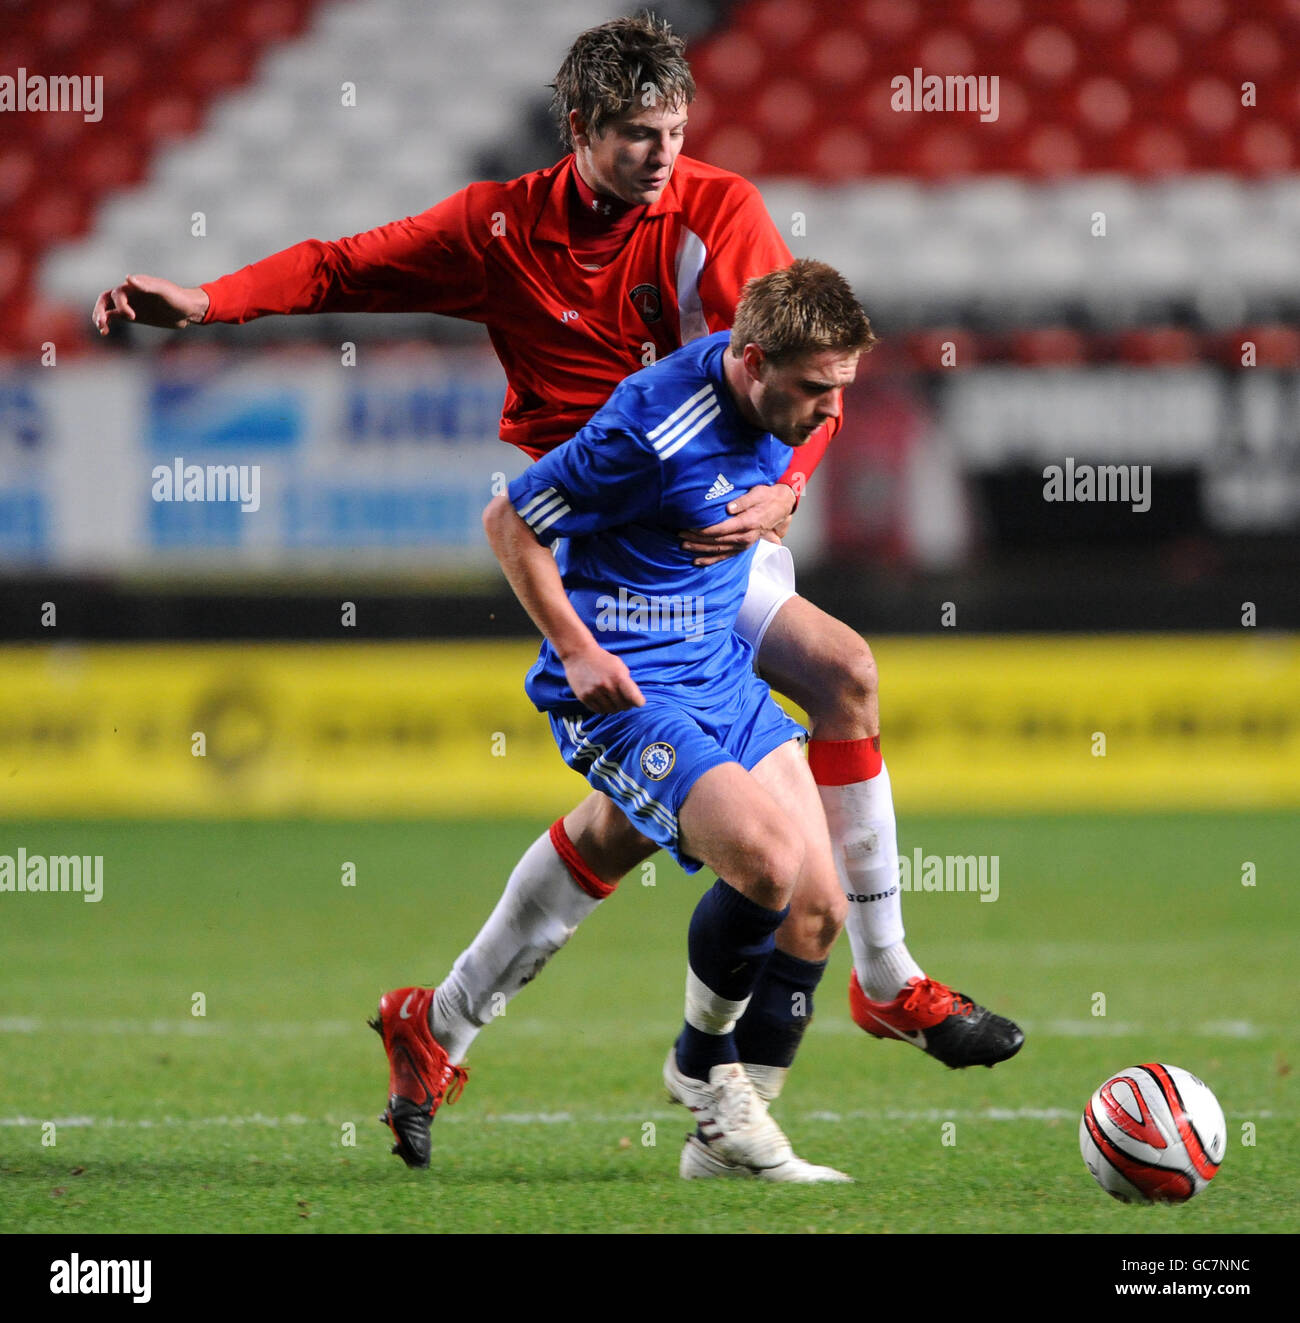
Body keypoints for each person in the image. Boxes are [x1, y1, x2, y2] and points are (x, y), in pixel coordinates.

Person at [91, 14, 1022, 1175]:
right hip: (602, 555)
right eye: (636, 134)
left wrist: (786, 490)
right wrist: (208, 301)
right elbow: (339, 266)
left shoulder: (715, 210)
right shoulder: (495, 230)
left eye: (674, 131)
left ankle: (464, 1025)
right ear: (576, 128)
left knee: (681, 803)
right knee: (777, 757)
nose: (663, 156)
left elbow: (795, 365)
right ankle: (834, 1007)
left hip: (707, 539)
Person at [485, 259, 872, 1179]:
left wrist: (788, 492)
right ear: (752, 362)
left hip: (719, 676)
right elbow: (511, 521)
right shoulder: (651, 428)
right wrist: (578, 650)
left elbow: (799, 438)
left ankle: (725, 1147)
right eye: (816, 390)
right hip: (633, 689)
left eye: (843, 389)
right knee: (767, 863)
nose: (831, 412)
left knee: (820, 909)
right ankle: (701, 1068)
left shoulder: (784, 400)